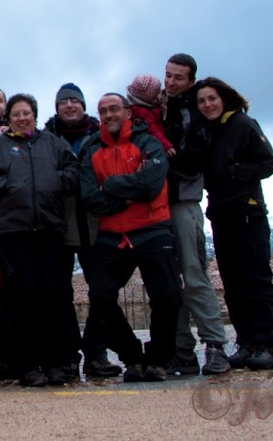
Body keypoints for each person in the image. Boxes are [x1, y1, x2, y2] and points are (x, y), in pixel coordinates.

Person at [0, 94, 78, 387]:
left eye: (26, 113)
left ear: (34, 115)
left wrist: (57, 181)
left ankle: (54, 363)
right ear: (9, 118)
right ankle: (28, 365)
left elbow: (73, 170)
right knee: (23, 298)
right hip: (13, 233)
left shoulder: (52, 142)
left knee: (52, 296)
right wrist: (2, 184)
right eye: (16, 114)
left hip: (49, 230)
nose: (21, 118)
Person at [79, 93, 181, 384]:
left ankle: (159, 359)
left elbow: (151, 183)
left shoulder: (148, 142)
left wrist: (109, 185)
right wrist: (124, 199)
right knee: (100, 297)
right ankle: (132, 356)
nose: (109, 115)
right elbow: (89, 198)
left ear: (127, 112)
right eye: (103, 111)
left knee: (167, 295)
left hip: (152, 229)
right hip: (112, 234)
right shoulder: (92, 150)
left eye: (114, 109)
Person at [193, 76, 273, 371]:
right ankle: (246, 342)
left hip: (249, 213)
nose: (207, 105)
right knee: (233, 283)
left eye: (211, 99)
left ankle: (266, 344)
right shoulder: (208, 131)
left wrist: (234, 172)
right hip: (221, 215)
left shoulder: (243, 125)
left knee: (256, 280)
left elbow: (269, 163)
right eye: (202, 101)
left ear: (224, 99)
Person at [43, 83, 119, 380]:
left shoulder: (101, 136)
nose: (70, 105)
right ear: (57, 107)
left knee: (102, 291)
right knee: (59, 293)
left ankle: (96, 352)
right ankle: (69, 355)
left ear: (83, 105)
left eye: (75, 100)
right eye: (64, 102)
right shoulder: (47, 138)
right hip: (59, 223)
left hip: (95, 222)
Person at [162, 53, 229, 376]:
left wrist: (159, 159)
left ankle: (215, 345)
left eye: (178, 77)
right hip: (157, 206)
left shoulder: (194, 112)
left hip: (183, 202)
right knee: (166, 282)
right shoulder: (160, 107)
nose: (171, 82)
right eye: (168, 75)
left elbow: (193, 157)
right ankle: (181, 349)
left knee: (193, 274)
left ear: (190, 80)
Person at [126, 75, 173, 154]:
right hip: (153, 148)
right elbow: (152, 130)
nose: (161, 92)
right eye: (158, 92)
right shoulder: (141, 113)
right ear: (150, 99)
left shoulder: (146, 104)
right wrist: (166, 146)